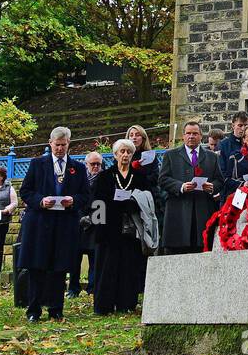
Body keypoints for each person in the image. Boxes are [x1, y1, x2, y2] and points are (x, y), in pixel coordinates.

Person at [17, 127, 90, 322]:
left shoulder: (78, 168)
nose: (59, 149)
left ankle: (56, 309)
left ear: (68, 144)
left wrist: (72, 200)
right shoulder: (37, 164)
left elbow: (86, 196)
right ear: (50, 144)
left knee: (60, 267)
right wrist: (41, 201)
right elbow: (25, 191)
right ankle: (33, 310)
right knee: (36, 267)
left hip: (64, 224)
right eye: (56, 145)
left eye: (63, 145)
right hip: (40, 223)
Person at [90, 138, 157, 314]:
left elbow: (149, 199)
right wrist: (99, 230)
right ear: (115, 155)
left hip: (131, 227)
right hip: (109, 228)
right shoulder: (105, 176)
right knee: (107, 266)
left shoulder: (139, 176)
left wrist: (135, 203)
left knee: (129, 266)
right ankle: (104, 305)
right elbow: (97, 203)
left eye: (128, 152)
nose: (125, 155)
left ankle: (126, 303)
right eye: (122, 152)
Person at [158, 120, 223, 254]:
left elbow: (220, 181)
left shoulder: (212, 157)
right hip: (178, 212)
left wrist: (212, 187)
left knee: (203, 250)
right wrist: (180, 186)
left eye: (195, 133)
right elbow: (162, 179)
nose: (191, 136)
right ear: (183, 136)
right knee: (177, 254)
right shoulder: (170, 155)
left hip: (203, 211)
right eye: (188, 133)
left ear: (201, 136)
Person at [72, 153, 102, 293]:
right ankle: (73, 288)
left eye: (98, 164)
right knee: (74, 259)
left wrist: (91, 218)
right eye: (93, 164)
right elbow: (73, 199)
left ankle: (92, 288)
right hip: (78, 222)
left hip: (96, 222)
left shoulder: (105, 179)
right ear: (86, 165)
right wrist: (80, 218)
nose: (96, 167)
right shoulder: (78, 179)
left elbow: (104, 202)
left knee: (94, 259)